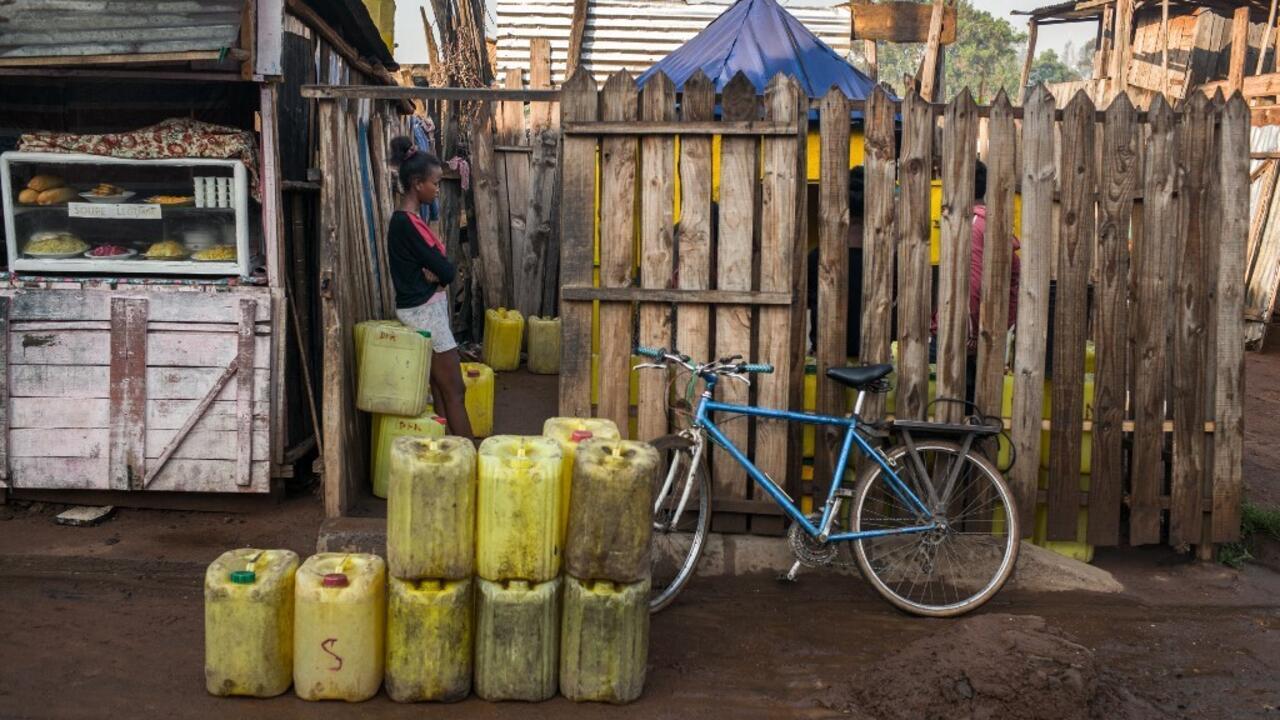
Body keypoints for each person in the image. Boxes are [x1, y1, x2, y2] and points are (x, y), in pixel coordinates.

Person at [386, 136, 474, 439]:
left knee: (441, 391)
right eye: (434, 183)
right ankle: (471, 460)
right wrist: (437, 275)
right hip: (423, 312)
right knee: (456, 392)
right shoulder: (406, 224)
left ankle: (448, 456)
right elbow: (447, 270)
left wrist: (434, 273)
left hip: (423, 308)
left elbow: (438, 269)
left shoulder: (409, 221)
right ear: (416, 183)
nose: (437, 189)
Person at [930, 159, 1022, 400]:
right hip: (985, 335)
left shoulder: (970, 226)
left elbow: (972, 284)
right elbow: (1015, 280)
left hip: (959, 337)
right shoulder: (996, 225)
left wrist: (967, 337)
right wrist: (1000, 326)